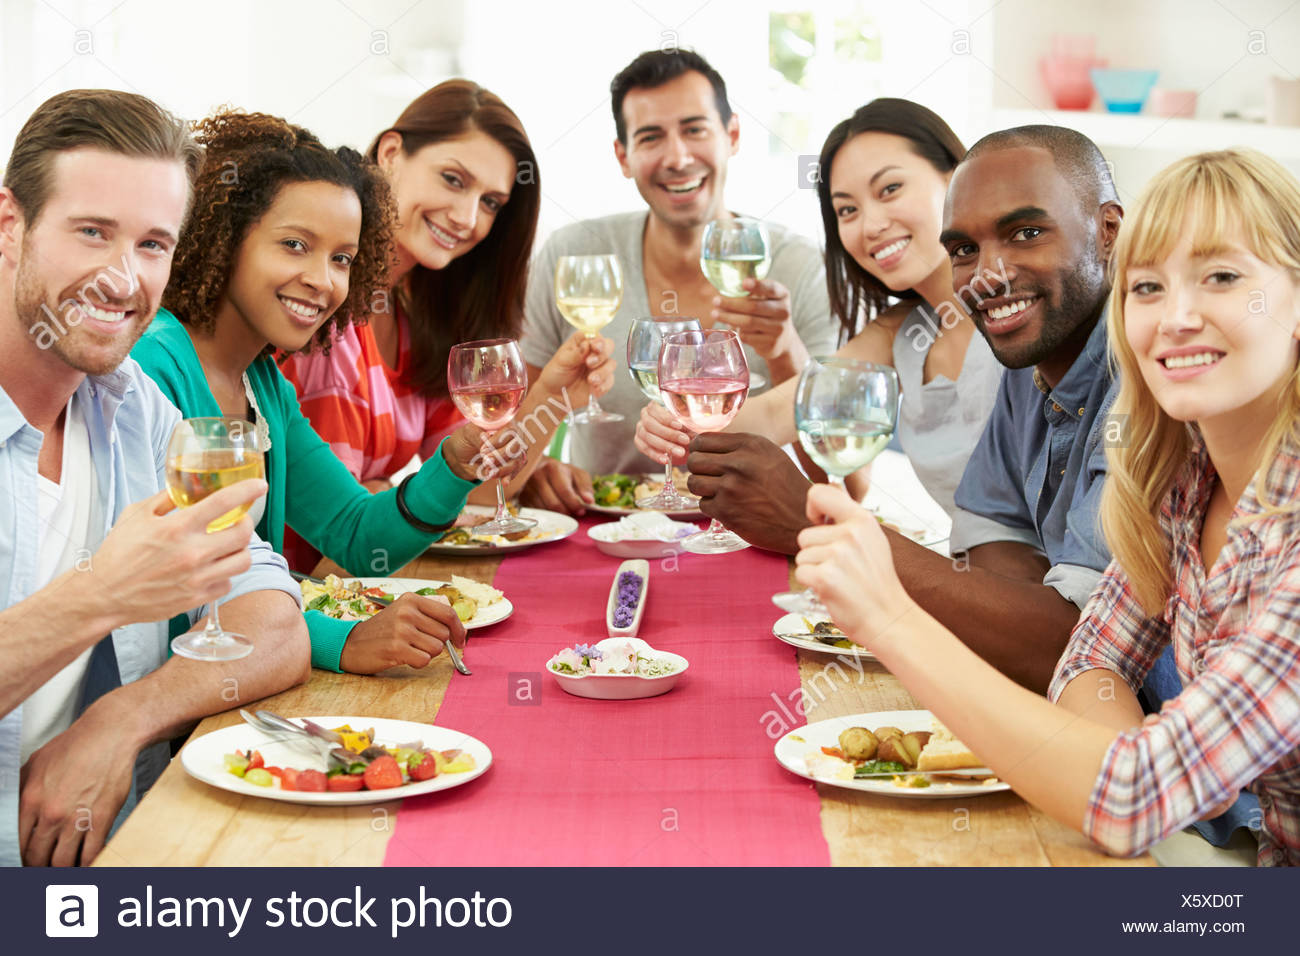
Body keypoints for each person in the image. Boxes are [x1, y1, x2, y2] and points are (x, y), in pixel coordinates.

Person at [796, 148, 1300, 865]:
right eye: (1149, 287)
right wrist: (1119, 765)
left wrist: (888, 616)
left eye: (1221, 277)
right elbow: (1089, 660)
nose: (1176, 318)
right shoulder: (1185, 478)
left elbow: (1130, 803)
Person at [131, 109, 573, 676]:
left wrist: (454, 467)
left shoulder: (263, 384)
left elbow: (357, 536)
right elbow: (177, 599)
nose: (324, 279)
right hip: (172, 697)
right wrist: (342, 640)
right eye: (294, 245)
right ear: (227, 237)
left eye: (342, 258)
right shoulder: (153, 367)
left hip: (241, 681)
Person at [0, 90, 310, 867]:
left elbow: (275, 624)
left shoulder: (131, 405)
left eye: (151, 244)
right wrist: (100, 595)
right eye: (93, 233)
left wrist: (125, 717)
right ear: (9, 226)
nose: (123, 277)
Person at [279, 80, 614, 569]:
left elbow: (477, 488)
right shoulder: (321, 311)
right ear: (391, 153)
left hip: (362, 576)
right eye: (454, 180)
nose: (467, 217)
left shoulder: (421, 323)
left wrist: (554, 396)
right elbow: (346, 530)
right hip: (296, 596)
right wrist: (388, 493)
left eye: (491, 203)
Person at [635, 99, 1003, 520]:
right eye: (847, 209)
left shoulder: (1018, 310)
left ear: (957, 177)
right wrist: (678, 421)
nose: (871, 225)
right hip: (971, 572)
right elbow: (777, 413)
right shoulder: (898, 334)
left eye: (890, 189)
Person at [518, 48, 840, 514]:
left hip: (748, 535)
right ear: (623, 157)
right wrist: (538, 467)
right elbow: (517, 425)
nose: (678, 157)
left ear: (731, 135)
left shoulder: (799, 265)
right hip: (607, 534)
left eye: (694, 129)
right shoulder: (574, 254)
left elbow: (837, 476)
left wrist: (786, 351)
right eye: (651, 137)